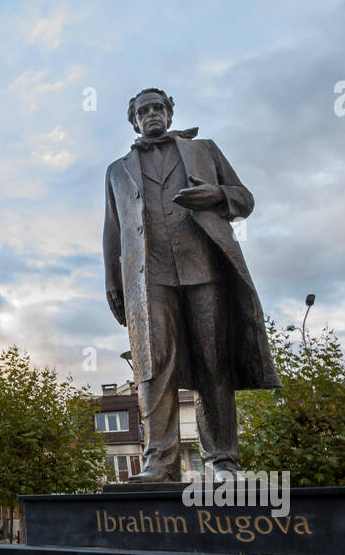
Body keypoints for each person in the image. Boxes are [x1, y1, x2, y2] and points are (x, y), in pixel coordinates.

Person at [103, 87, 280, 481]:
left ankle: (222, 462)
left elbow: (244, 199)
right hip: (147, 277)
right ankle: (159, 462)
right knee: (152, 366)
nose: (152, 114)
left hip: (204, 267)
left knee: (212, 363)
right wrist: (113, 282)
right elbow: (112, 231)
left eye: (158, 108)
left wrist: (217, 194)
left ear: (169, 112)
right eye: (143, 110)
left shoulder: (205, 150)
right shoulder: (117, 170)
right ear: (133, 120)